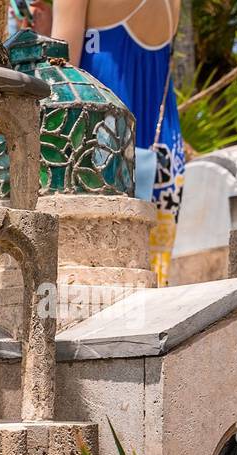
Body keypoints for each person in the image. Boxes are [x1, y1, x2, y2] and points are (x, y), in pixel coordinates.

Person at [31, 0, 185, 285]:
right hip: (163, 148)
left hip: (99, 141)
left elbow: (60, 77)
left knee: (85, 285)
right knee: (147, 284)